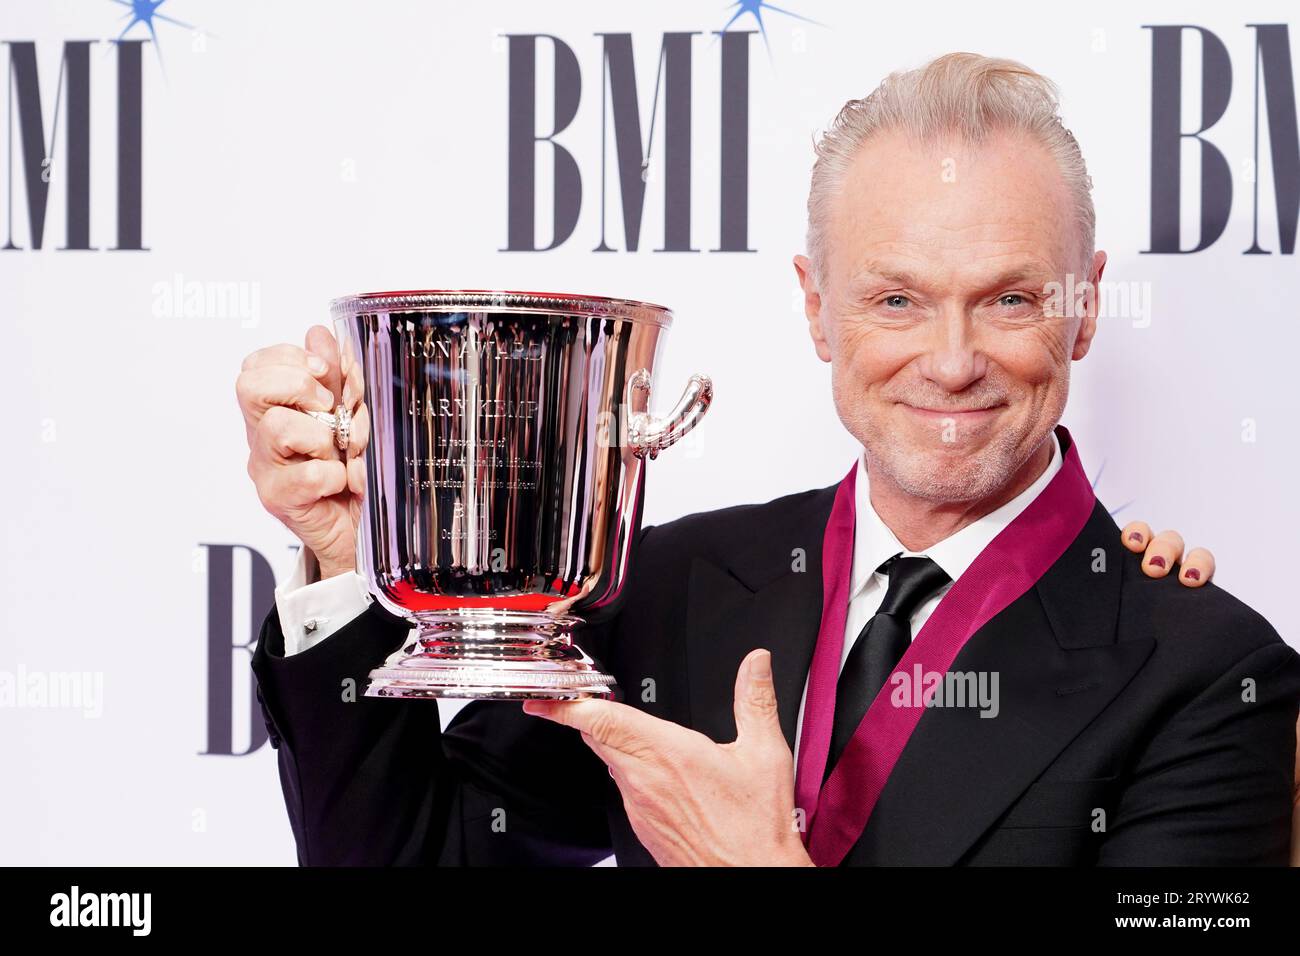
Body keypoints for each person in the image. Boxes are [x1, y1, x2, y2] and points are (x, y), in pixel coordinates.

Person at [238, 53, 1300, 866]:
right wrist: (342, 554)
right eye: (896, 299)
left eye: (1009, 298)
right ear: (814, 307)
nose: (952, 359)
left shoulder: (1213, 675)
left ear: (1083, 307)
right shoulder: (664, 587)